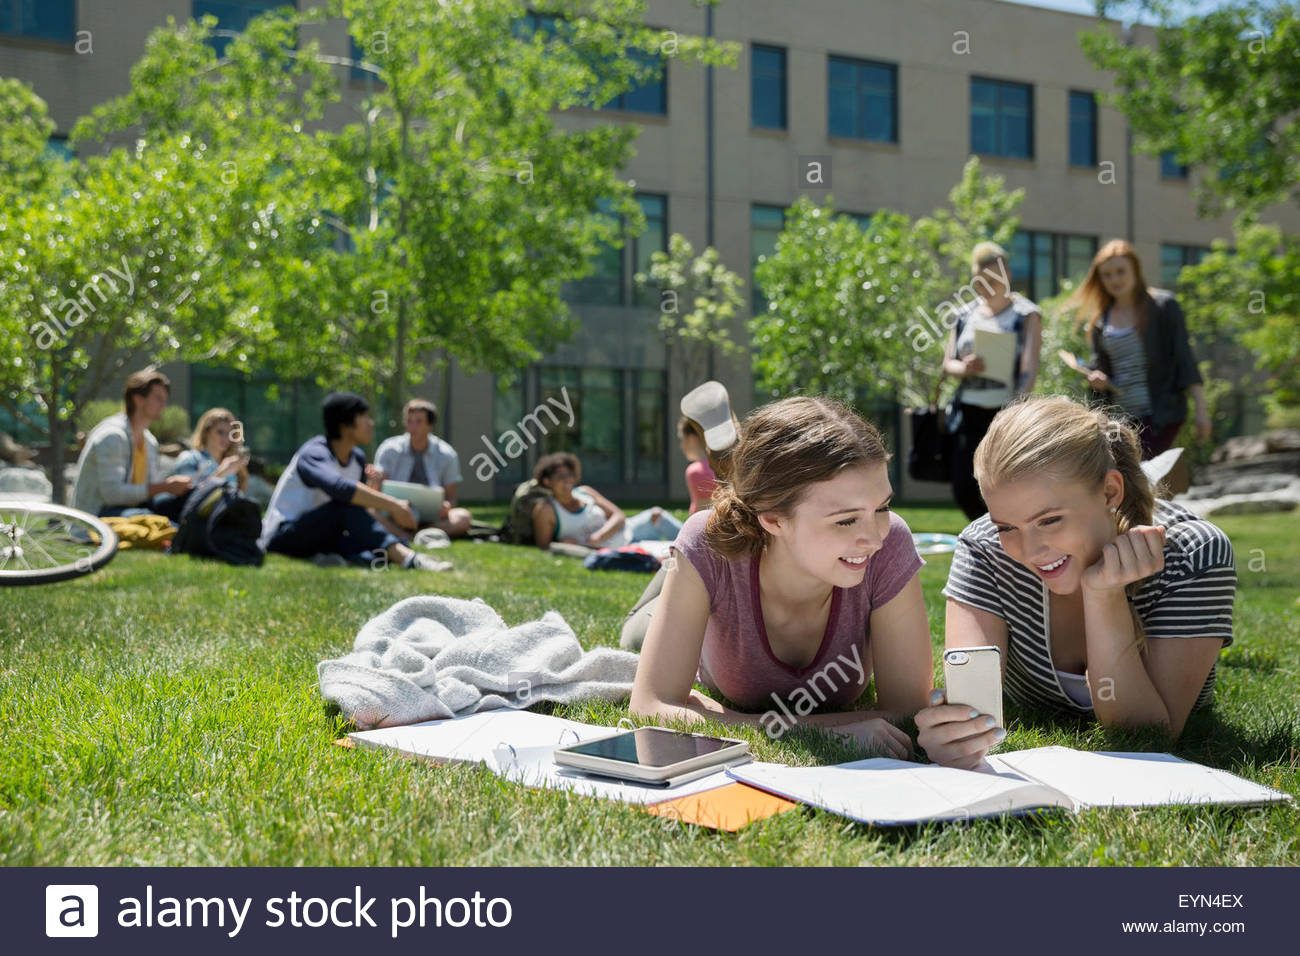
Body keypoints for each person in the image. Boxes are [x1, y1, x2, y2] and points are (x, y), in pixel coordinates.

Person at [916, 396, 1236, 770]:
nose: (1031, 550)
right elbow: (972, 710)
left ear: (1109, 493)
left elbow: (1145, 734)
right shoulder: (985, 548)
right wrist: (951, 733)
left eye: (1049, 520)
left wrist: (1103, 596)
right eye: (1007, 526)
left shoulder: (1193, 554)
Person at [630, 396, 934, 757]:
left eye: (882, 507)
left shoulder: (889, 542)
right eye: (845, 520)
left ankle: (731, 454)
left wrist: (726, 718)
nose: (874, 537)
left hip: (748, 543)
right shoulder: (706, 542)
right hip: (713, 564)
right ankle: (721, 473)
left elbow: (908, 714)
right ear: (774, 519)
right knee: (636, 635)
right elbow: (650, 707)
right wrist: (840, 730)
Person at [258, 392, 449, 572]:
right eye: (364, 417)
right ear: (345, 424)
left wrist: (395, 526)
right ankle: (409, 560)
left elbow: (361, 507)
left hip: (326, 532)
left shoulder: (356, 458)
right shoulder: (314, 453)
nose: (371, 423)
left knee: (379, 546)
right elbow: (340, 489)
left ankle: (343, 557)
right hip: (283, 536)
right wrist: (394, 505)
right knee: (344, 506)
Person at [1070, 239, 1210, 457]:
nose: (1114, 279)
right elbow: (1100, 368)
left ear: (1135, 269)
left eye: (1120, 271)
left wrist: (1201, 410)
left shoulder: (1164, 307)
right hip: (1121, 420)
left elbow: (1185, 359)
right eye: (1107, 275)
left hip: (1161, 415)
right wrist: (1096, 379)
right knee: (1132, 479)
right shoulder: (1100, 321)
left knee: (1144, 472)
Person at [941, 241, 1043, 520]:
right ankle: (987, 535)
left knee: (1001, 485)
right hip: (967, 412)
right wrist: (965, 368)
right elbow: (948, 363)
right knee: (963, 486)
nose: (984, 285)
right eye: (978, 279)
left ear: (1006, 274)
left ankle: (1002, 541)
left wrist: (1014, 414)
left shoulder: (1026, 315)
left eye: (991, 278)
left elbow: (1029, 369)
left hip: (1004, 414)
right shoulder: (963, 315)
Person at [72, 368, 194, 520]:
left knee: (186, 502)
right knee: (151, 519)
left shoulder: (149, 441)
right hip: (100, 517)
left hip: (135, 508)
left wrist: (176, 488)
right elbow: (113, 495)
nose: (164, 405)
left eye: (165, 399)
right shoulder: (112, 437)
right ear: (138, 399)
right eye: (158, 398)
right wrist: (165, 487)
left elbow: (151, 490)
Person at [529, 452, 682, 549]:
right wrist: (570, 545)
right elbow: (544, 546)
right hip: (617, 548)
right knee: (669, 550)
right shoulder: (546, 509)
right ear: (547, 481)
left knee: (656, 514)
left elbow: (619, 516)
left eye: (569, 474)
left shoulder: (585, 492)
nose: (567, 480)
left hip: (629, 531)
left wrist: (599, 536)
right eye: (560, 477)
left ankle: (703, 542)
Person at [374, 399, 472, 538]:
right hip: (396, 515)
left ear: (430, 425)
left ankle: (414, 534)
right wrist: (375, 479)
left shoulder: (447, 454)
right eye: (409, 421)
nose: (412, 426)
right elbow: (377, 491)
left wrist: (447, 506)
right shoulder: (389, 449)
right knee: (371, 513)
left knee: (463, 517)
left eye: (419, 421)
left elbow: (451, 497)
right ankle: (423, 535)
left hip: (432, 518)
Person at [157, 407, 248, 507]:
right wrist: (221, 474)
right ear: (206, 432)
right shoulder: (190, 458)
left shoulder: (232, 464)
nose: (226, 438)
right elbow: (189, 499)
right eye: (220, 432)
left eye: (230, 434)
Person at [679, 417, 717, 515]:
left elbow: (704, 517)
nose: (681, 446)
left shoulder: (696, 471)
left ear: (692, 439)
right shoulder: (717, 464)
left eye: (682, 439)